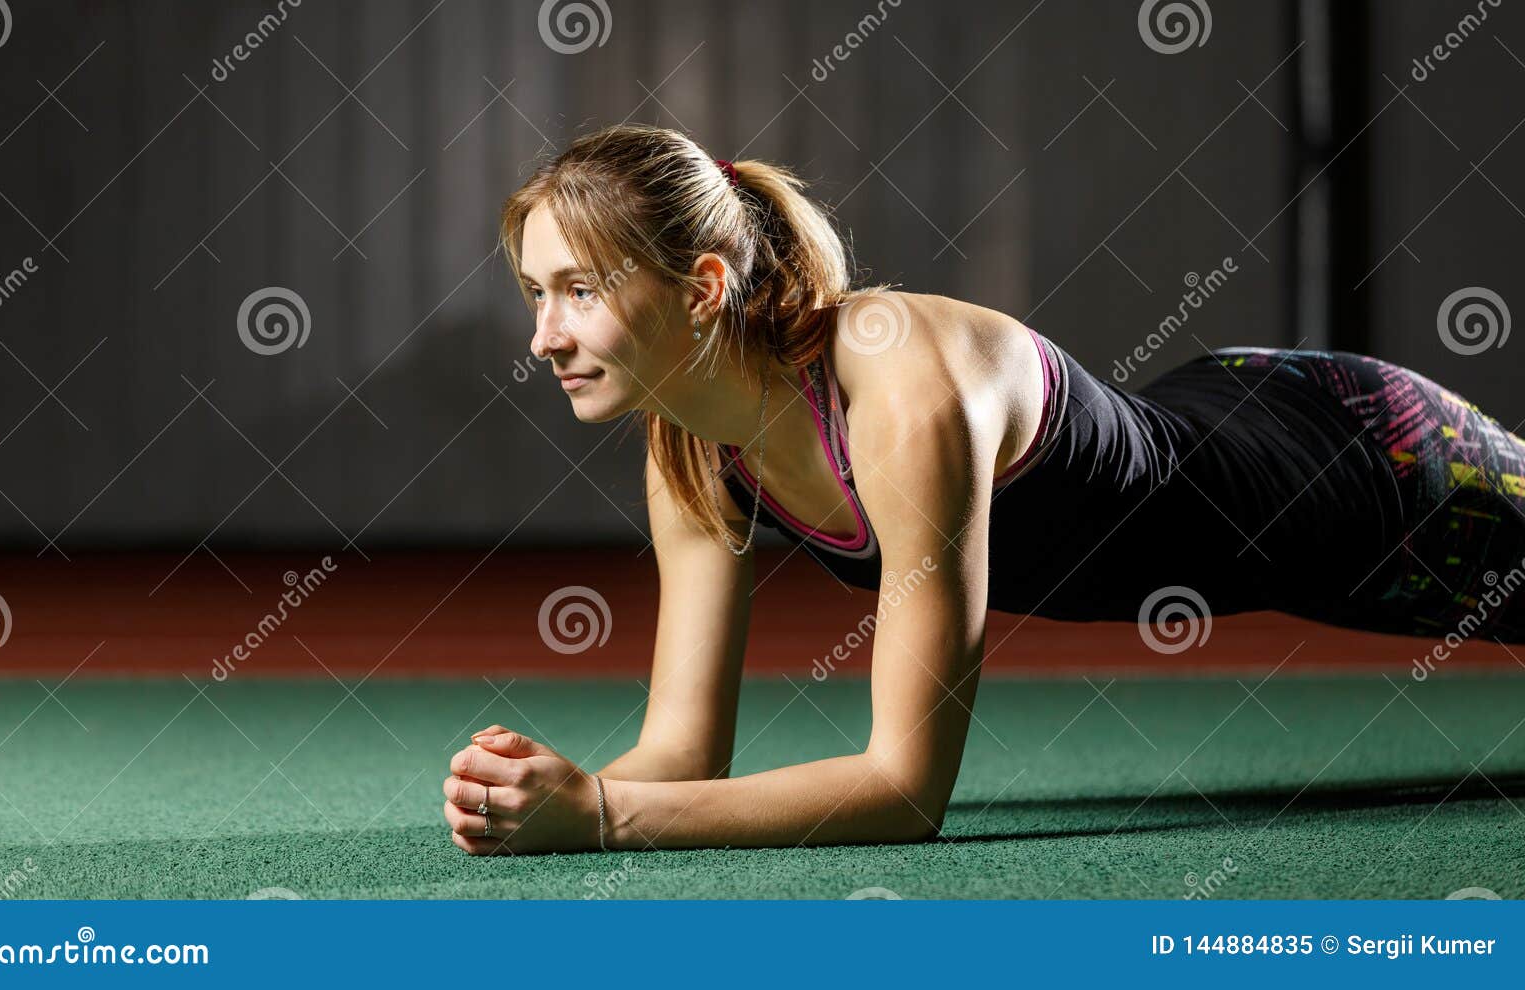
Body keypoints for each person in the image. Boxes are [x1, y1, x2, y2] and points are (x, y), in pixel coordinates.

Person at [440, 123, 1525, 855]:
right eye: (537, 293)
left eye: (578, 292)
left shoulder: (899, 382)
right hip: (1254, 462)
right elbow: (681, 756)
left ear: (705, 287)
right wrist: (555, 797)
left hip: (1357, 461)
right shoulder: (688, 446)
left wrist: (608, 818)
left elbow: (905, 789)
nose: (542, 336)